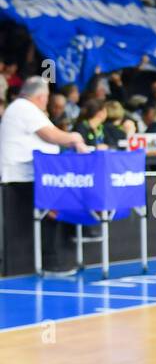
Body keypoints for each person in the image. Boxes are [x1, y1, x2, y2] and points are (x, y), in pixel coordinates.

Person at [0, 77, 90, 276]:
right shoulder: (25, 108)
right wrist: (75, 138)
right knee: (51, 211)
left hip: (32, 174)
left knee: (53, 210)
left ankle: (59, 254)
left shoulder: (22, 107)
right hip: (23, 176)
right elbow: (52, 135)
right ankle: (52, 262)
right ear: (41, 96)